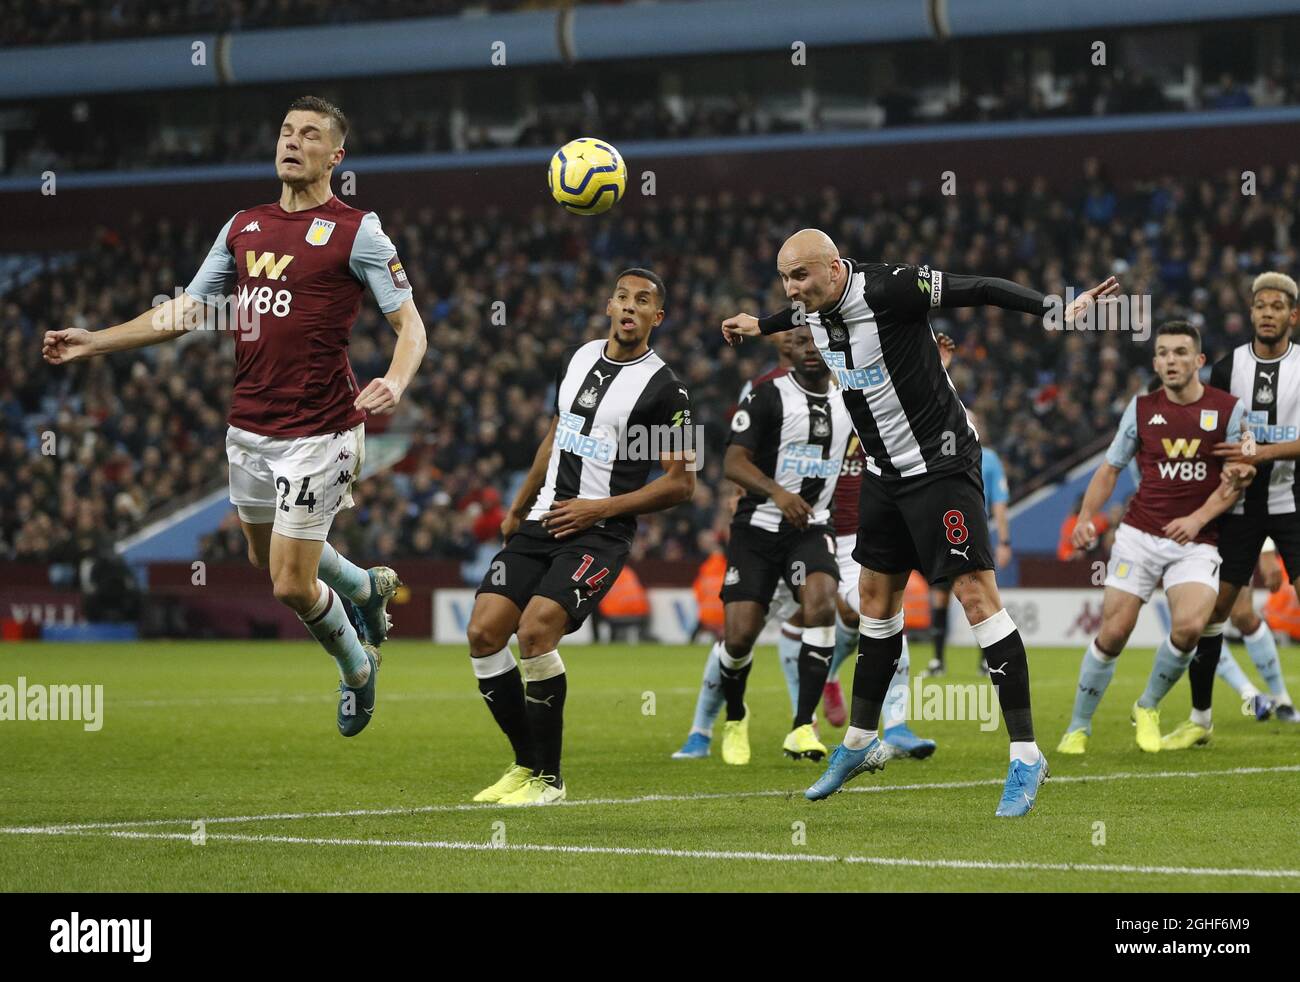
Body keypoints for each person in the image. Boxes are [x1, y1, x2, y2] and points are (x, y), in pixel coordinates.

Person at [42, 95, 425, 737]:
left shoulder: (360, 231)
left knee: (289, 586)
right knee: (261, 557)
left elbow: (410, 327)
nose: (292, 141)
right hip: (247, 428)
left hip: (320, 432)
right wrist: (94, 340)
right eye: (285, 131)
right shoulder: (243, 226)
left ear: (336, 155)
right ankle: (364, 586)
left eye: (309, 134)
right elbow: (186, 311)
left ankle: (358, 670)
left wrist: (395, 379)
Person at [722, 227, 1118, 816]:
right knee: (877, 602)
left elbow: (980, 288)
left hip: (940, 464)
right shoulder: (813, 304)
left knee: (977, 599)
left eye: (800, 276)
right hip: (884, 473)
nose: (792, 288)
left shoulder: (892, 288)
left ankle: (1027, 755)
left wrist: (1053, 307)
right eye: (784, 278)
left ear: (835, 268)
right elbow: (797, 308)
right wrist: (764, 323)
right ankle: (859, 743)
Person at [467, 268, 694, 805]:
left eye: (643, 301)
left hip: (600, 534)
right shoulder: (580, 357)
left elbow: (682, 483)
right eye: (621, 297)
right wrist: (518, 505)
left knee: (536, 630)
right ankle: (526, 764)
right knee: (483, 632)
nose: (629, 307)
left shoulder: (668, 389)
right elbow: (556, 432)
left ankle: (550, 780)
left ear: (657, 318)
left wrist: (600, 509)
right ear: (609, 307)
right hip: (542, 519)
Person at [1058, 322, 1253, 753]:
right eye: (1163, 353)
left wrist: (1198, 517)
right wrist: (1086, 518)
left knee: (1188, 627)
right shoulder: (1142, 408)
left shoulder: (1230, 410)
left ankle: (1147, 706)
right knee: (1113, 634)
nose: (1171, 361)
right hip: (1139, 536)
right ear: (1155, 362)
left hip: (1197, 541)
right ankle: (1078, 727)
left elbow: (1240, 475)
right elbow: (1109, 469)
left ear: (1199, 361)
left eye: (1181, 353)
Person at [712, 324, 852, 764]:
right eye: (799, 343)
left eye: (817, 342)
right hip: (757, 527)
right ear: (786, 350)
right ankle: (735, 715)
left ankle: (800, 727)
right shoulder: (767, 393)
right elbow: (733, 462)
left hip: (812, 528)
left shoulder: (850, 396)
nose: (810, 350)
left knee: (822, 604)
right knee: (738, 640)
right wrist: (777, 492)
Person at [1184, 272, 1300, 732]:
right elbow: (1217, 437)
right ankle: (1201, 717)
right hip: (1239, 508)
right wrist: (1233, 461)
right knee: (1216, 612)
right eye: (1260, 306)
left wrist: (1262, 451)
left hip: (1292, 502)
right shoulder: (1228, 369)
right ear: (1251, 312)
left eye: (1276, 307)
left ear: (1292, 315)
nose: (1267, 314)